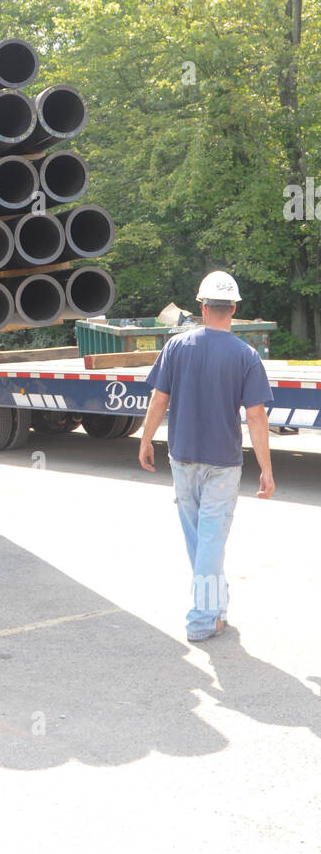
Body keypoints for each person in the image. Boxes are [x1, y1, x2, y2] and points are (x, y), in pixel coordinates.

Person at [138, 271, 275, 642]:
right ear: (233, 307)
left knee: (200, 540)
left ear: (201, 305)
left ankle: (217, 608)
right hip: (222, 463)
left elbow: (159, 399)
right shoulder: (245, 355)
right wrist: (266, 467)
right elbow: (256, 415)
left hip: (182, 457)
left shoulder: (177, 346)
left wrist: (146, 439)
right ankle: (202, 619)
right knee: (210, 541)